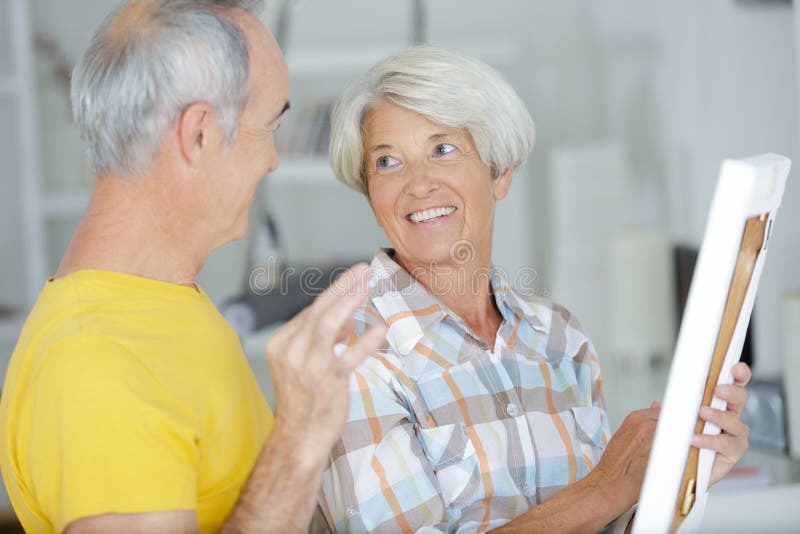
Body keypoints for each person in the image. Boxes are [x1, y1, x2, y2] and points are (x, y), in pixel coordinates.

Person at [317, 46, 751, 532]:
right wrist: (608, 484)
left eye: (442, 150)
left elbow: (610, 525)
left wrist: (680, 479)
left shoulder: (560, 337)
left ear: (500, 172)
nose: (417, 185)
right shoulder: (348, 356)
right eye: (387, 162)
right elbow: (604, 494)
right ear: (369, 191)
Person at [0, 1, 385, 532]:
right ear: (198, 134)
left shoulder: (157, 303)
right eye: (268, 126)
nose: (273, 159)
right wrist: (299, 440)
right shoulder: (99, 370)